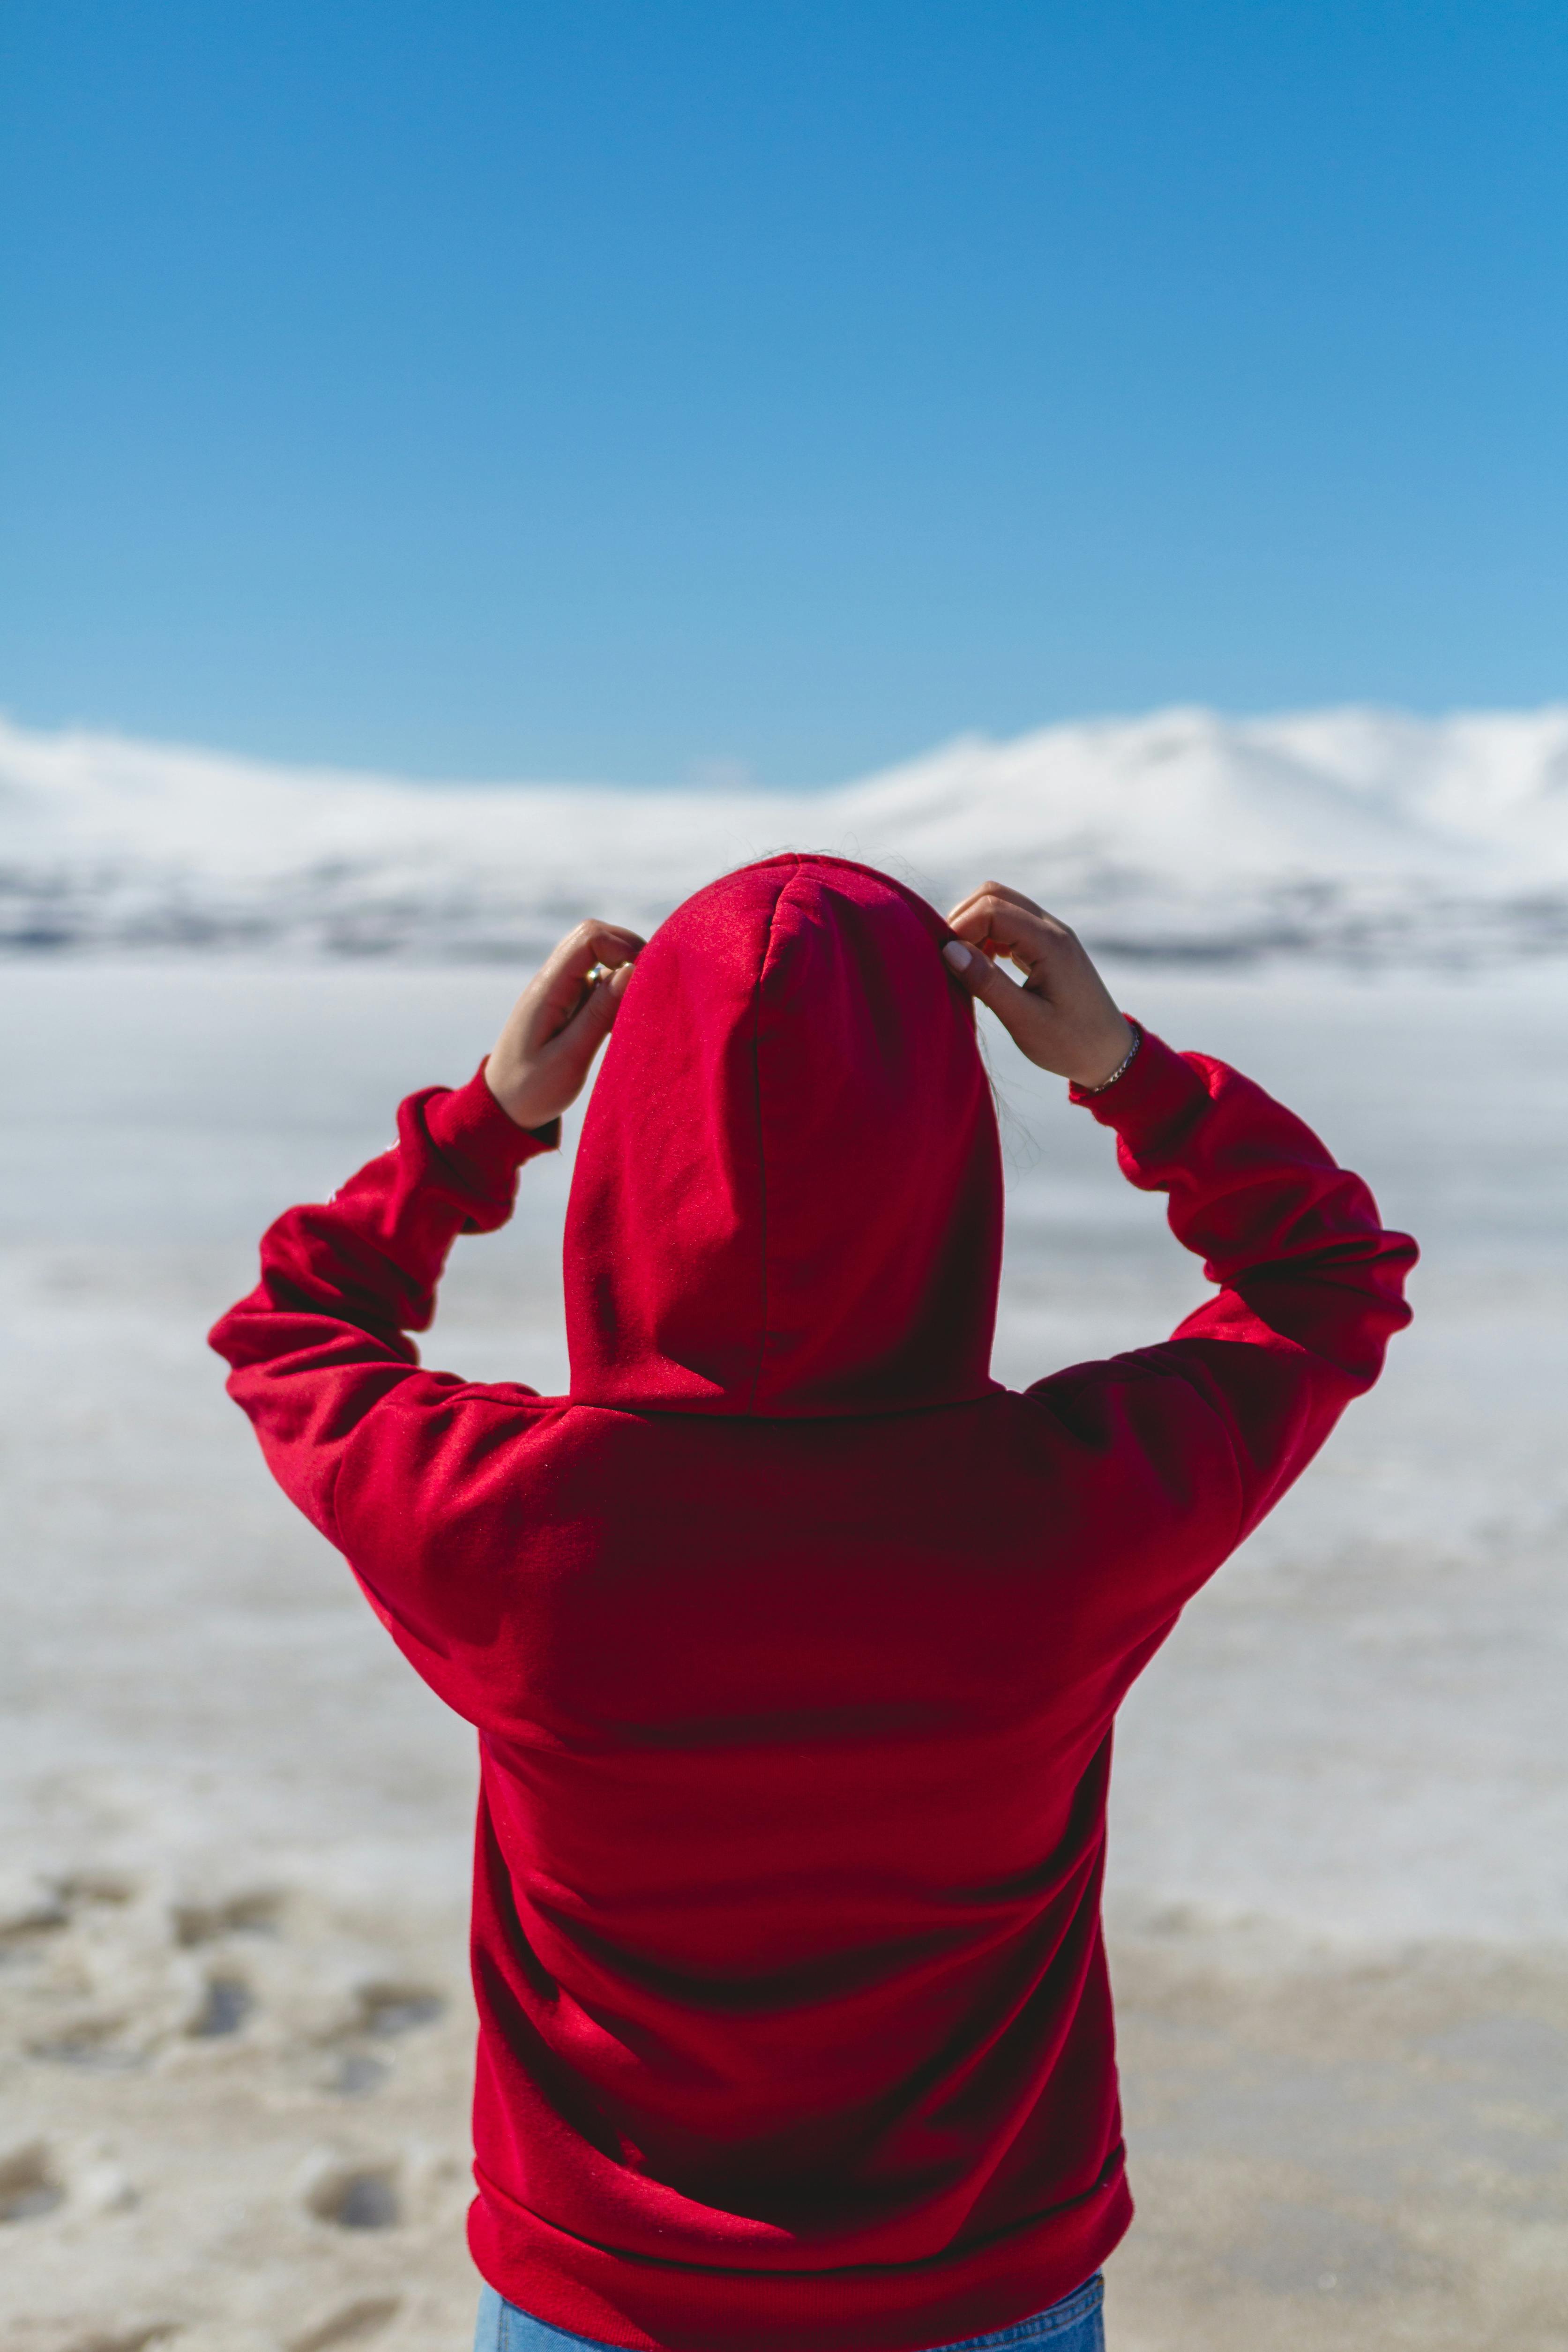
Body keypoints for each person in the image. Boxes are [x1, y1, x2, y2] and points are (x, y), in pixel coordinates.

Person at [210, 855, 1415, 2352]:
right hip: (978, 2286)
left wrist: (485, 1123)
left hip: (606, 2297)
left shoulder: (502, 1510)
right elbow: (1321, 1278)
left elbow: (291, 1328)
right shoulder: (1061, 1507)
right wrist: (1123, 1073)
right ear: (943, 1143)